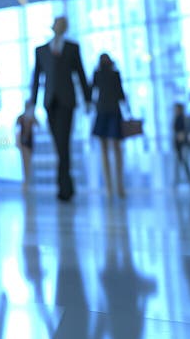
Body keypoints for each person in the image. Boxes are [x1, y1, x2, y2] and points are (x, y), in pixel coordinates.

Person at [30, 16, 91, 202]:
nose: (61, 27)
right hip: (50, 103)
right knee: (59, 143)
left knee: (64, 141)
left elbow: (81, 74)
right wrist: (32, 105)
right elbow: (36, 79)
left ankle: (64, 187)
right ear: (53, 26)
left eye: (64, 25)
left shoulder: (72, 48)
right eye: (58, 24)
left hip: (67, 102)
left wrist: (87, 99)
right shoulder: (41, 51)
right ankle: (65, 184)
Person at [90, 53, 127, 198]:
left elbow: (120, 93)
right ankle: (111, 186)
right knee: (109, 149)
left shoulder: (111, 74)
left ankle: (116, 185)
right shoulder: (101, 74)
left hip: (109, 111)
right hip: (106, 111)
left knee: (112, 149)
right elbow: (120, 94)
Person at [16, 101, 39, 193]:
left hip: (30, 143)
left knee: (29, 163)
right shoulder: (21, 118)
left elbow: (38, 125)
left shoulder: (32, 118)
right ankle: (26, 182)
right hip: (23, 143)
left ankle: (28, 182)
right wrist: (17, 142)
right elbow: (16, 130)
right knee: (25, 164)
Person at [172, 102, 190, 187]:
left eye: (177, 109)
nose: (176, 110)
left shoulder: (184, 118)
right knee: (178, 163)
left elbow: (187, 130)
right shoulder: (176, 118)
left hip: (184, 144)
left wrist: (183, 135)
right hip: (177, 144)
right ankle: (176, 181)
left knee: (184, 162)